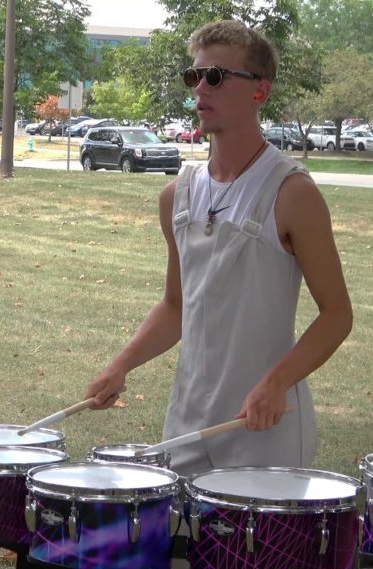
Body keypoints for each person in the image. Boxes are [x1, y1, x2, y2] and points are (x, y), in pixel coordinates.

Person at [85, 19, 352, 477]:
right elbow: (177, 306)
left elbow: (337, 315)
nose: (200, 89)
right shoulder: (177, 194)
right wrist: (121, 365)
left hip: (264, 428)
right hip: (187, 425)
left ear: (259, 91)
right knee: (173, 547)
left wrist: (278, 383)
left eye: (216, 77)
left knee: (251, 553)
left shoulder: (291, 192)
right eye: (194, 76)